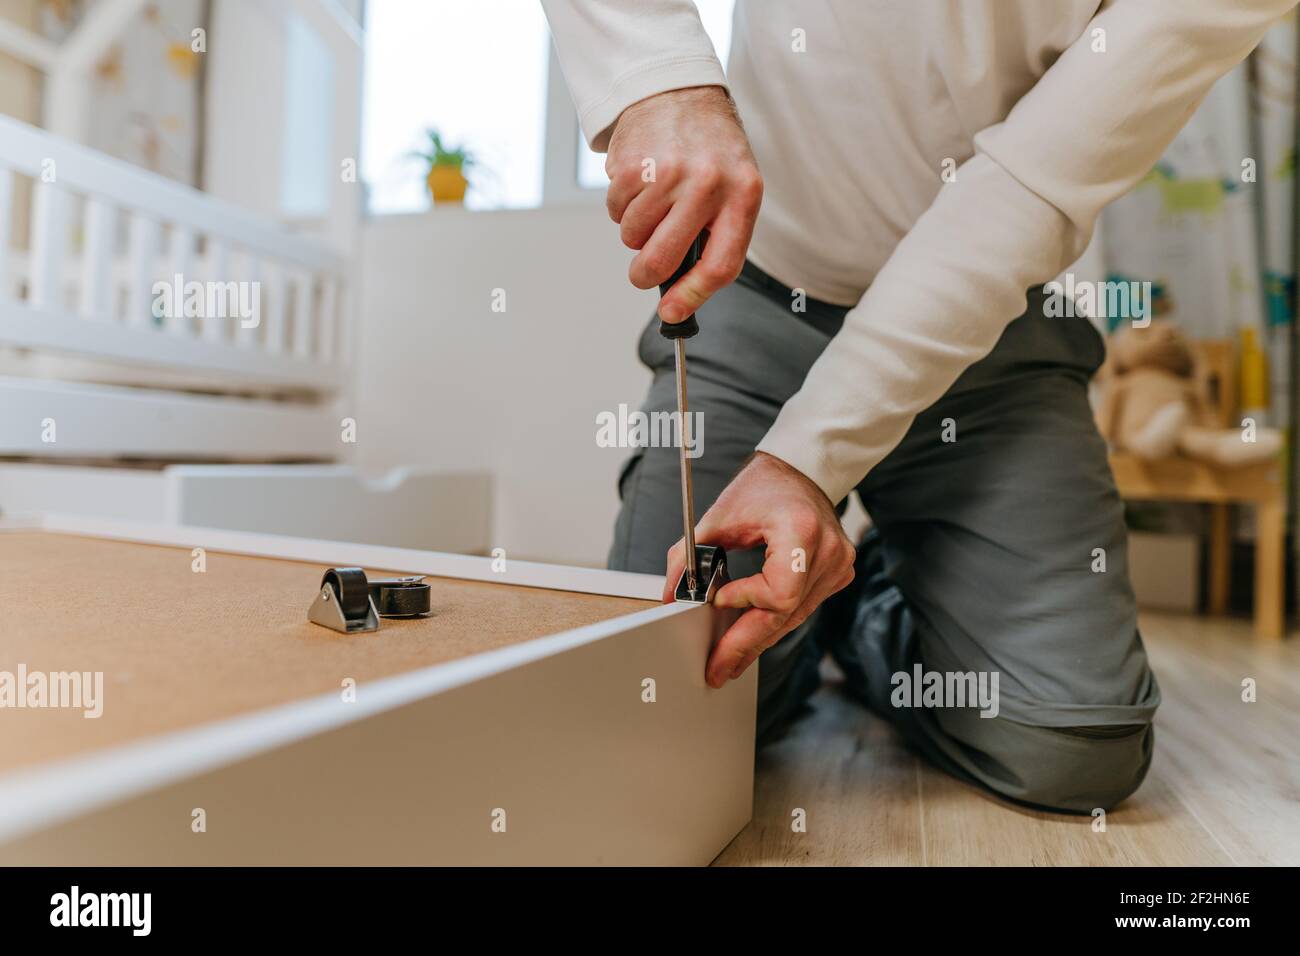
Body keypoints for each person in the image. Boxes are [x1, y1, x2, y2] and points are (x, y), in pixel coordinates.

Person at [542, 0, 1295, 812]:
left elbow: (1027, 189)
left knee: (1076, 748)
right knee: (663, 700)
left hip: (991, 330)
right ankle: (795, 639)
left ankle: (867, 614)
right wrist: (660, 82)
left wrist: (805, 461)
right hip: (761, 296)